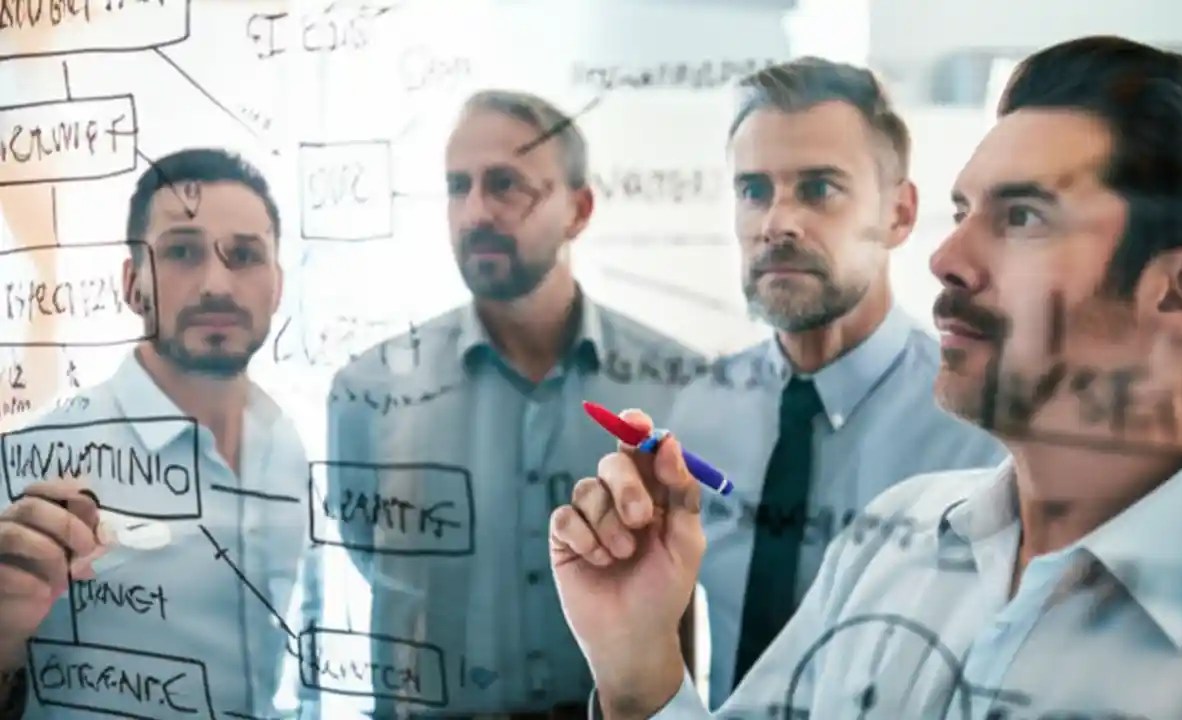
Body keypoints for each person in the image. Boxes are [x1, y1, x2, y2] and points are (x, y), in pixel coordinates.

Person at [550, 35, 1182, 720]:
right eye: (965, 211)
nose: (947, 257)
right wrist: (638, 666)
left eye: (1023, 216)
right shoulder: (887, 537)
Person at [324, 90, 700, 718]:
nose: (475, 212)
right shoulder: (370, 393)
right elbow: (371, 560)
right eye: (457, 186)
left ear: (579, 210)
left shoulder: (678, 387)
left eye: (505, 185)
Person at [664, 56, 1006, 706]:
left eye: (819, 189)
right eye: (753, 190)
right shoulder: (701, 412)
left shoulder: (980, 433)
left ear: (900, 214)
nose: (776, 223)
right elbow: (667, 630)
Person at [0, 148, 312, 720]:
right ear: (131, 283)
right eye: (182, 252)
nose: (217, 283)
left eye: (244, 256)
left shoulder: (292, 452)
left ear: (276, 286)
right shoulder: (23, 467)